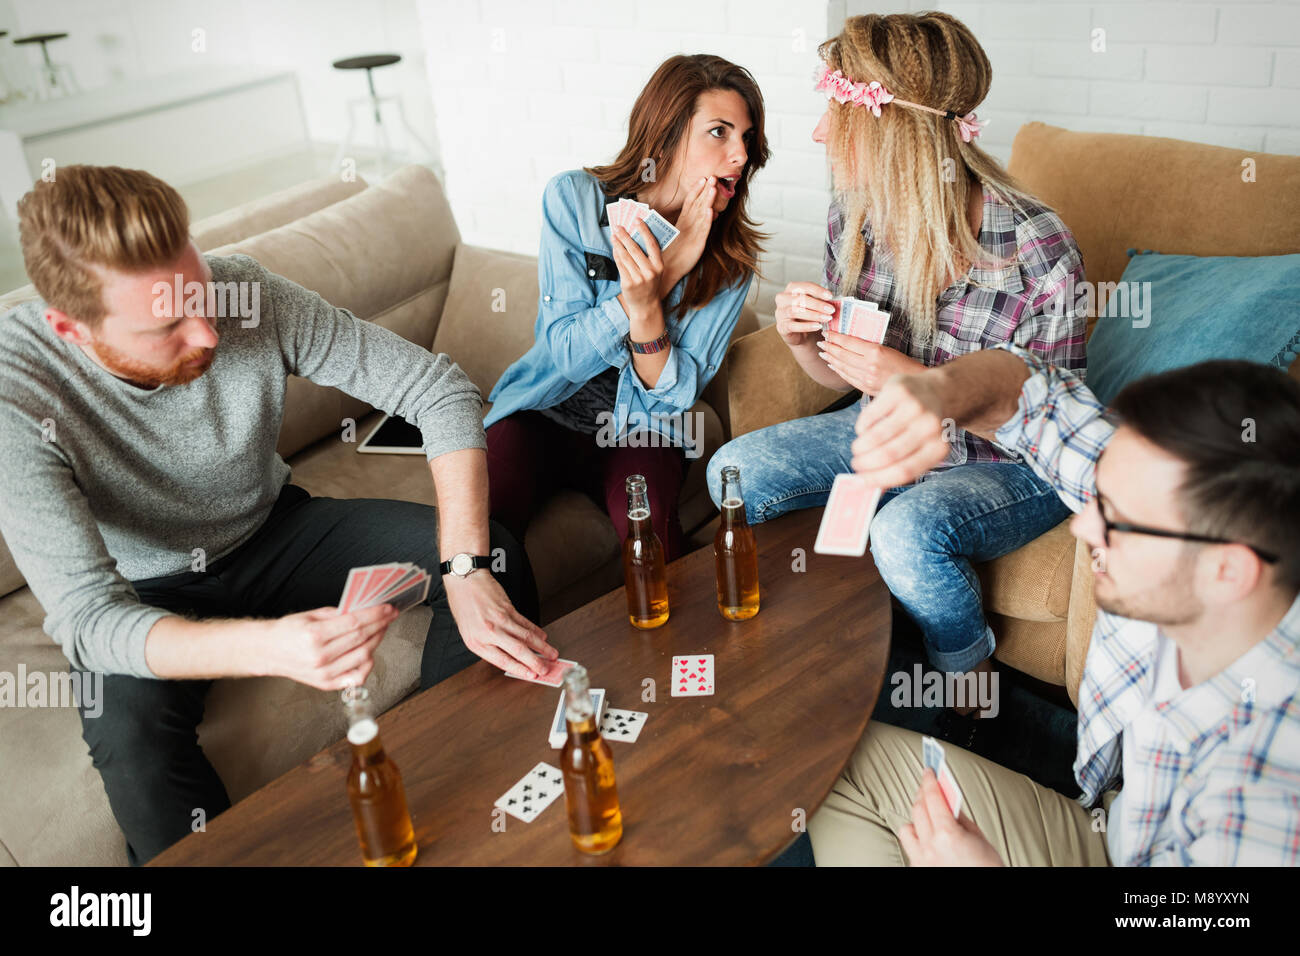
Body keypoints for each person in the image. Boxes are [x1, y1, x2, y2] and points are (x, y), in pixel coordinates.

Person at [0, 165, 555, 864]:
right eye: (168, 324)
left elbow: (436, 390)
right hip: (142, 592)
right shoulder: (14, 393)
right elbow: (89, 620)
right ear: (69, 328)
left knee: (491, 552)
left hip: (277, 531)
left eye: (200, 295)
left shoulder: (244, 292)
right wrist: (274, 645)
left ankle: (456, 802)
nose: (207, 334)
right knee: (132, 740)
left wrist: (467, 571)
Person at [706, 12, 1087, 740]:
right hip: (880, 425)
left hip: (1009, 463)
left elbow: (1053, 428)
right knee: (732, 473)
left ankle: (975, 709)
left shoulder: (1036, 244)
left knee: (908, 531)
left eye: (832, 113)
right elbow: (834, 373)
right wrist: (800, 340)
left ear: (886, 129)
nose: (818, 134)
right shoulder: (856, 215)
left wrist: (909, 375)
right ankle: (791, 659)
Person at [808, 345, 1300, 865]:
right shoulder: (1166, 498)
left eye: (1113, 518)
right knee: (833, 765)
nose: (1084, 528)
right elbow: (1028, 392)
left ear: (1228, 572)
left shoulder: (1267, 789)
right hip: (1111, 827)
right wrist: (934, 393)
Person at [484, 54, 768, 563]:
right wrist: (670, 266)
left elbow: (671, 399)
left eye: (746, 138)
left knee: (652, 542)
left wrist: (650, 299)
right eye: (719, 133)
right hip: (540, 411)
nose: (739, 155)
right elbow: (568, 356)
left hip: (639, 429)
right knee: (483, 534)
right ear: (667, 134)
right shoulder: (574, 200)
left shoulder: (731, 265)